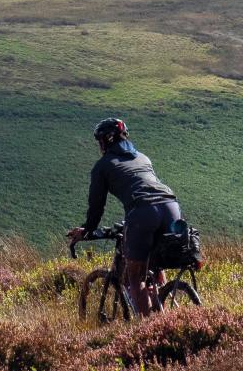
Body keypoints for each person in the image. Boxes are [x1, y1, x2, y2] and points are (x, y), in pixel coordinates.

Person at [67, 117, 182, 316]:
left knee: (134, 277)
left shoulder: (103, 166)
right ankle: (161, 301)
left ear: (105, 141)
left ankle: (148, 330)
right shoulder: (143, 157)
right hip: (171, 207)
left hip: (143, 212)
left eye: (99, 141)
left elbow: (96, 207)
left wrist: (87, 229)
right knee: (153, 262)